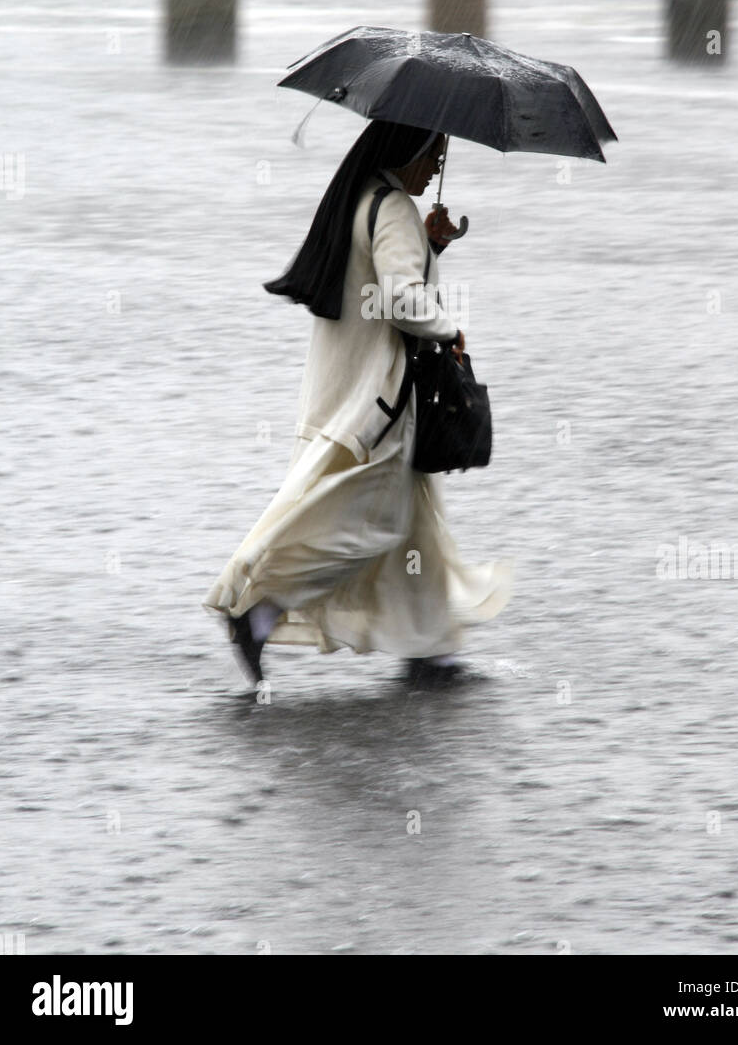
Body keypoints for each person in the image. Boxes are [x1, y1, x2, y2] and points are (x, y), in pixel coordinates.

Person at [203, 119, 512, 688]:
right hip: (381, 399)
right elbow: (400, 299)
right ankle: (261, 610)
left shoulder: (362, 196)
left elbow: (379, 278)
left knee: (414, 523)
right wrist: (449, 329)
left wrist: (430, 244)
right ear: (408, 149)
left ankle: (431, 647)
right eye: (433, 152)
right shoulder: (390, 206)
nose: (438, 165)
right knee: (373, 525)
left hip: (346, 387)